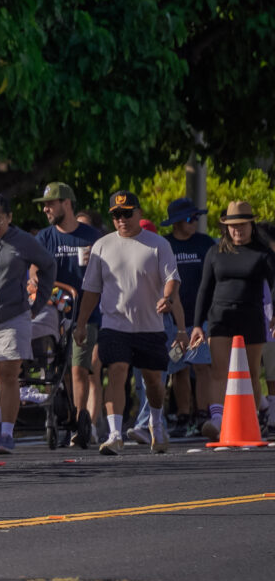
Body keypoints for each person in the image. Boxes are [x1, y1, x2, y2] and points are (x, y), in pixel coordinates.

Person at [77, 189, 178, 455]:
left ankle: (155, 423)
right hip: (115, 325)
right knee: (117, 372)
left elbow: (172, 279)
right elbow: (91, 290)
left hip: (150, 326)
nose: (122, 219)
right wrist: (80, 324)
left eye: (127, 213)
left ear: (139, 213)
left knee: (153, 381)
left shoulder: (158, 244)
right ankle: (114, 434)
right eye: (116, 215)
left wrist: (167, 297)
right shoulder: (102, 245)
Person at [0, 194, 56, 453]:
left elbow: (48, 265)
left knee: (8, 375)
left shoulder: (23, 241)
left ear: (9, 218)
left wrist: (37, 304)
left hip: (15, 316)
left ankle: (8, 434)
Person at [188, 200, 275, 439]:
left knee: (251, 372)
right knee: (219, 370)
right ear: (226, 227)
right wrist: (197, 325)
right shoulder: (215, 252)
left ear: (251, 225)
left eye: (242, 225)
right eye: (232, 225)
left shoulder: (263, 253)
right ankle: (217, 420)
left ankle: (252, 419)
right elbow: (205, 289)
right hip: (220, 317)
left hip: (252, 317)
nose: (237, 230)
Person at [36, 182, 104, 447]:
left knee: (80, 370)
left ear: (66, 203)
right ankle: (69, 417)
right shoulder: (44, 237)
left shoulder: (92, 237)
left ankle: (80, 424)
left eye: (50, 204)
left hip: (87, 313)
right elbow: (33, 269)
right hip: (53, 315)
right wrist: (36, 281)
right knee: (60, 370)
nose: (45, 209)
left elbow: (101, 278)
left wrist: (85, 319)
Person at [161, 199, 213, 435]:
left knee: (202, 366)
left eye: (196, 218)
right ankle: (183, 416)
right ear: (177, 222)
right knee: (178, 368)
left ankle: (203, 415)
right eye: (191, 218)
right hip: (173, 321)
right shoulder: (165, 245)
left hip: (201, 320)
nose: (196, 222)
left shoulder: (206, 244)